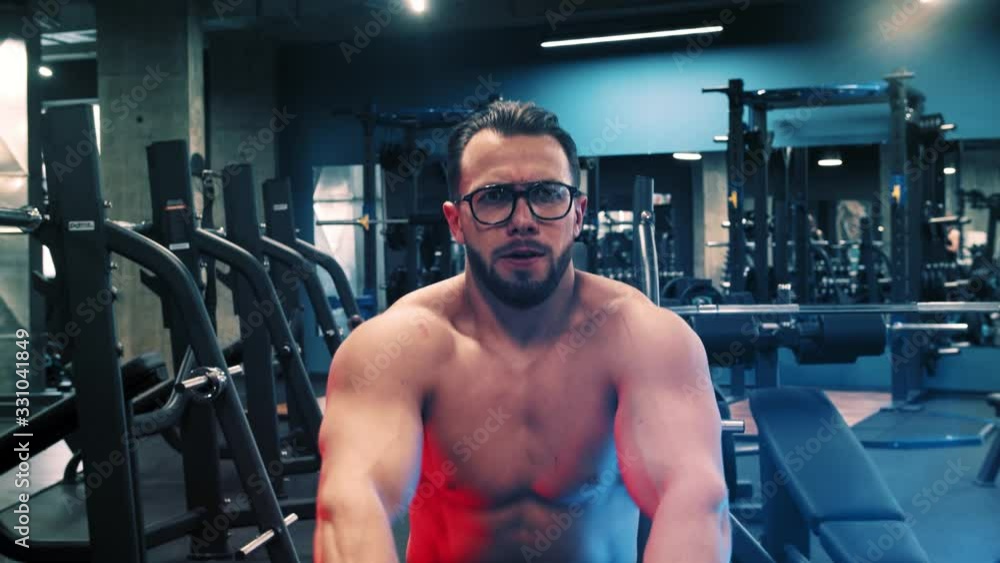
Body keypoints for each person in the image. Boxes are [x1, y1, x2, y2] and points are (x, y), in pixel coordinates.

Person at [314, 101, 730, 563]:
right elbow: (350, 505)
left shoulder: (643, 338)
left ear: (577, 213)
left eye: (547, 193)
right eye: (494, 196)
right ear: (456, 222)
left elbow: (695, 501)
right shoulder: (396, 348)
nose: (523, 219)